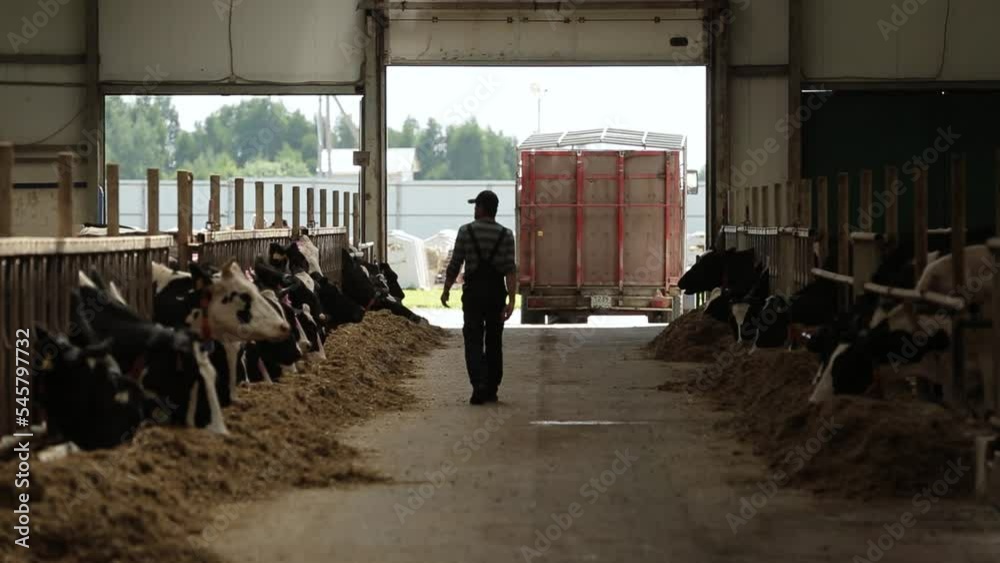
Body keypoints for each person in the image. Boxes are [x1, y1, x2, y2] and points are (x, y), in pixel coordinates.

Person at [441, 190, 517, 405]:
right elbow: (510, 270)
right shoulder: (506, 235)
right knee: (494, 340)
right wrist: (511, 300)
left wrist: (446, 289)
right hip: (495, 294)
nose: (474, 210)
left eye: (476, 206)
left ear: (482, 208)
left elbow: (455, 263)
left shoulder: (465, 232)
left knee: (473, 339)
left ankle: (478, 385)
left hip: (473, 293)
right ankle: (491, 387)